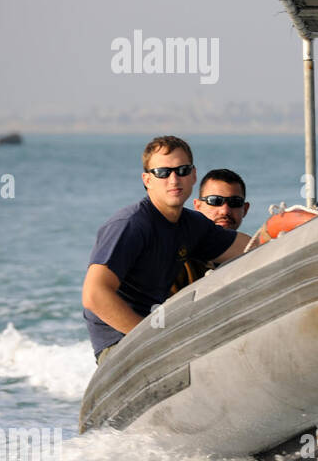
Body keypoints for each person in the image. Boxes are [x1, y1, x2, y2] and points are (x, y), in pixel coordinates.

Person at [82, 136, 253, 365]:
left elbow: (251, 247)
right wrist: (150, 340)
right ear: (147, 180)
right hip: (119, 344)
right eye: (163, 172)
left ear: (193, 175)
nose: (174, 179)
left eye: (182, 170)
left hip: (161, 333)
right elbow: (94, 295)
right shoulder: (131, 224)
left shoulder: (192, 225)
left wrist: (303, 224)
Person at [170, 168, 252, 292]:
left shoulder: (251, 255)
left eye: (235, 202)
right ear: (198, 206)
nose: (225, 210)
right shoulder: (177, 257)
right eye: (214, 201)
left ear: (245, 209)